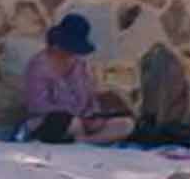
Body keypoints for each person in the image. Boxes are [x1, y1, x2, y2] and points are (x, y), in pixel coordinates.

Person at [20, 13, 131, 145]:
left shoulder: (80, 65)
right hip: (50, 121)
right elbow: (38, 106)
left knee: (125, 124)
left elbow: (90, 97)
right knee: (72, 124)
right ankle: (84, 140)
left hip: (82, 121)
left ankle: (84, 141)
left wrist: (93, 115)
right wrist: (74, 115)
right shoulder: (38, 66)